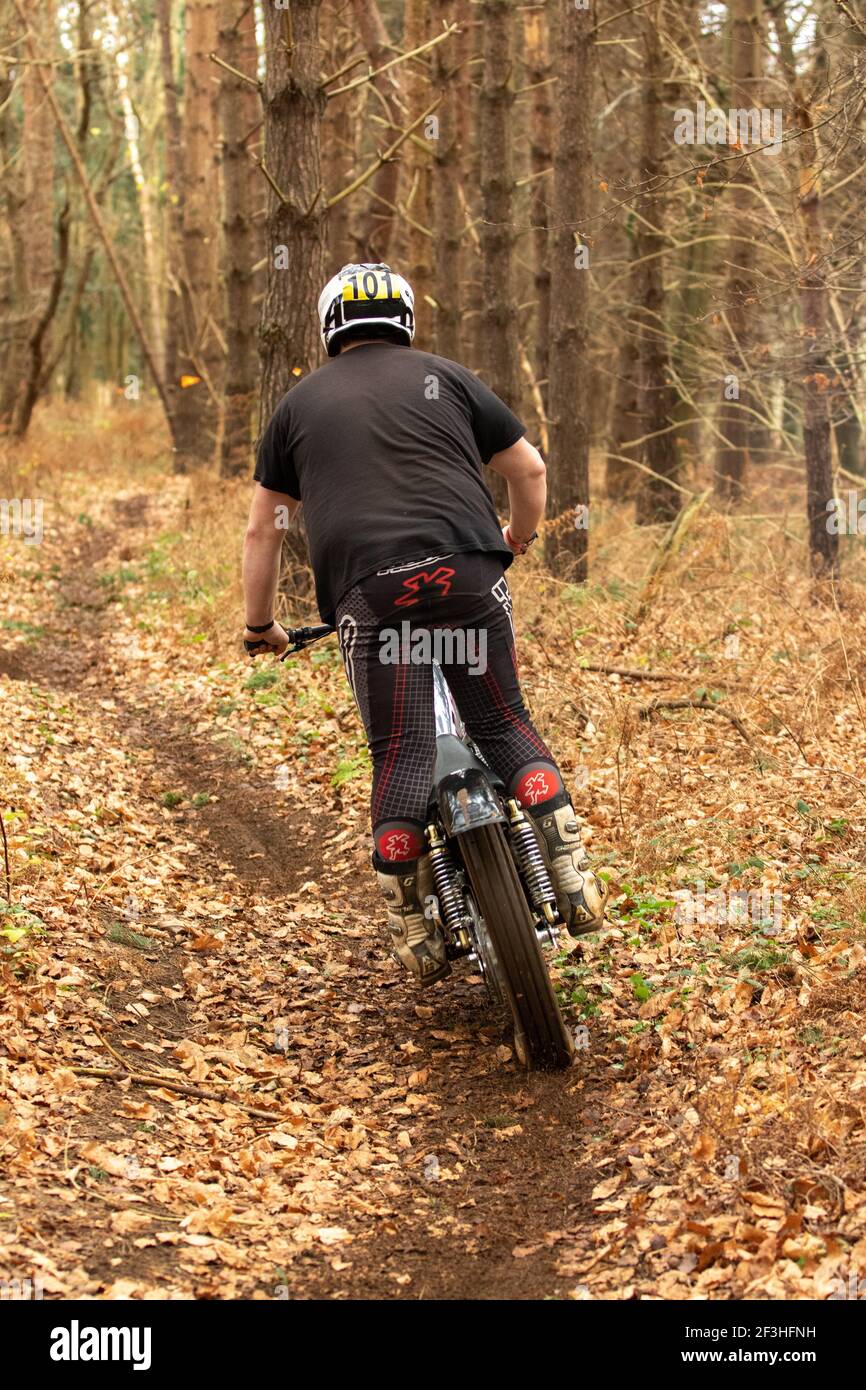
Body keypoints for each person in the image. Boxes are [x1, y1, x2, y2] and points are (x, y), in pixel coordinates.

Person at [243, 261, 607, 986]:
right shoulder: (448, 376)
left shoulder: (298, 405)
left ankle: (411, 921)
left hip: (372, 596)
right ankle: (567, 863)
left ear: (329, 328)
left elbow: (264, 532)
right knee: (504, 726)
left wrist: (260, 627)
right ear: (405, 319)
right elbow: (529, 472)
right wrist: (518, 540)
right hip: (469, 573)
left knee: (403, 757)